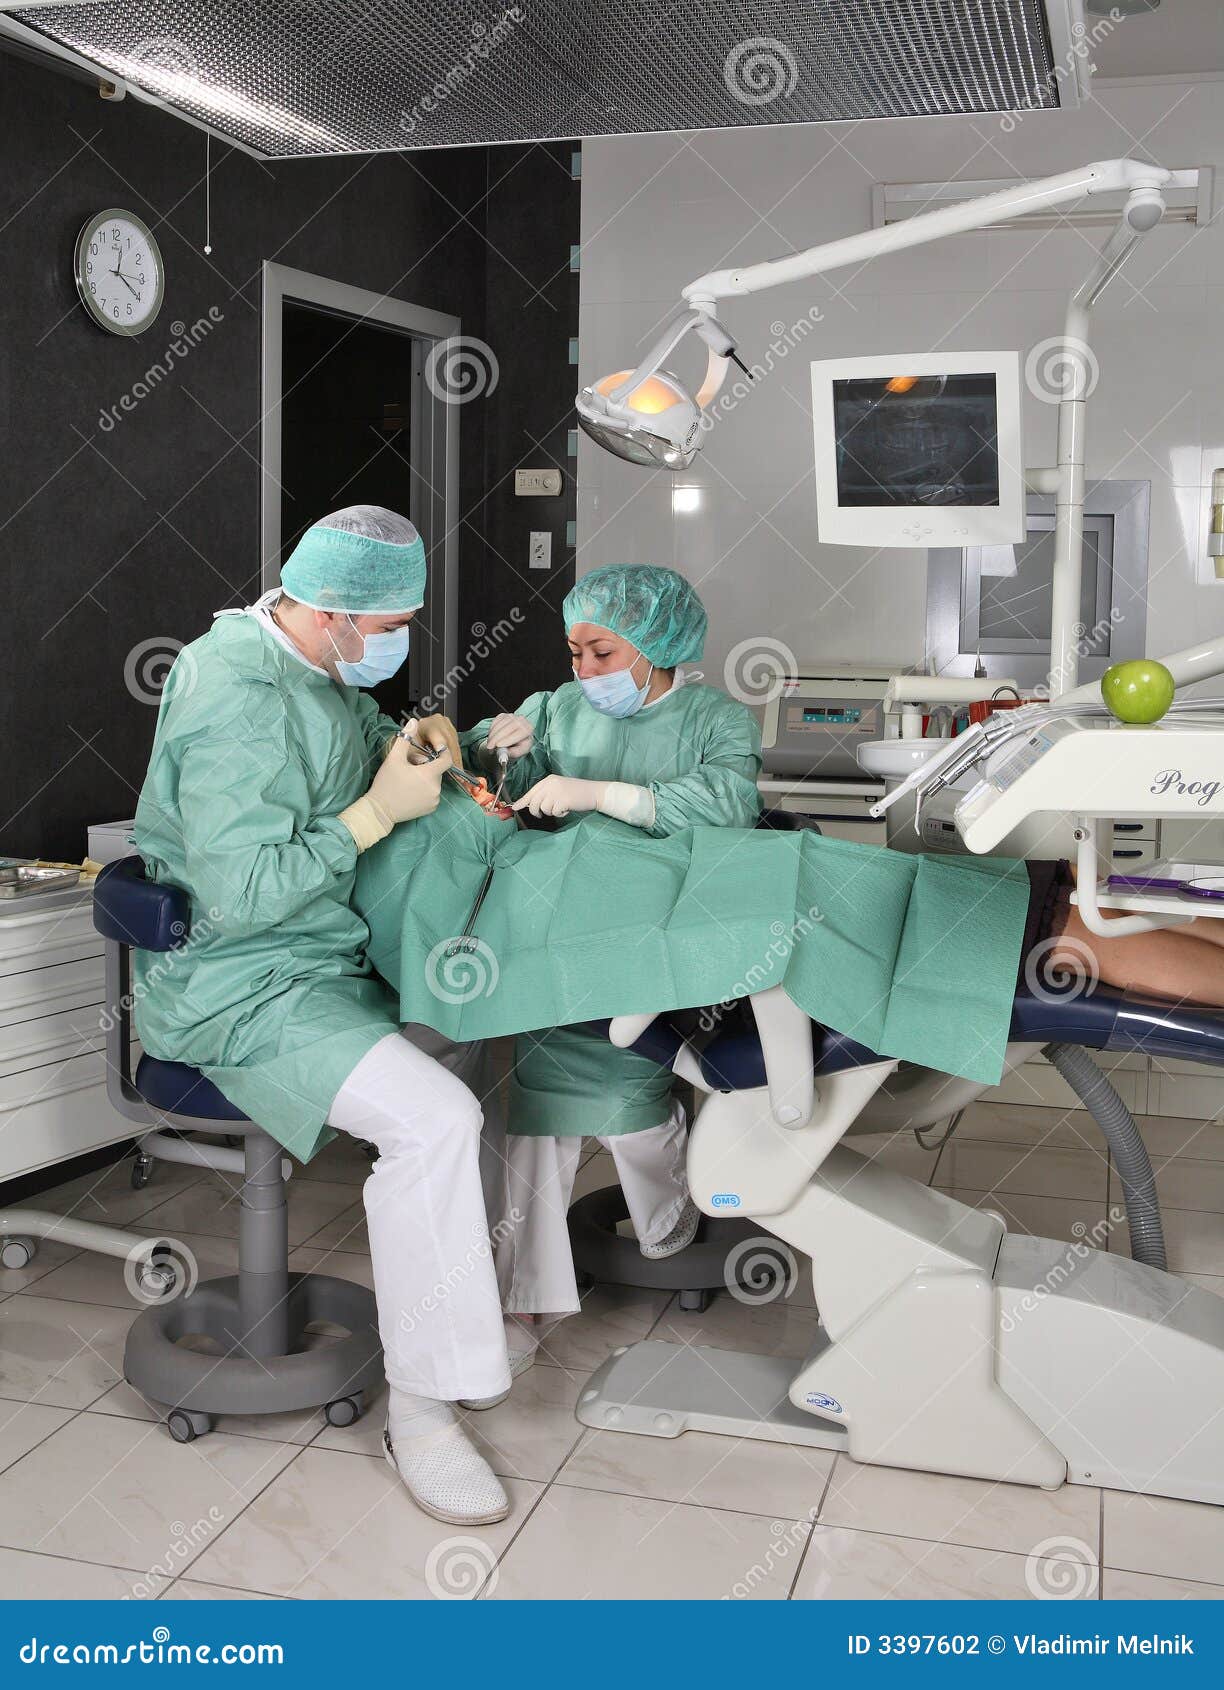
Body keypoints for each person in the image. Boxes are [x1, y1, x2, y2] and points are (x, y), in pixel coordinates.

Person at [132, 505, 514, 1527]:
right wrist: (379, 813)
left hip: (320, 958)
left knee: (489, 1030)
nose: (397, 643)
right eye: (389, 624)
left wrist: (446, 745)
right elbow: (246, 890)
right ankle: (425, 1416)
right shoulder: (229, 691)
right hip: (239, 985)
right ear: (332, 611)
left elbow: (359, 749)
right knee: (438, 1119)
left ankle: (460, 1330)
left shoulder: (313, 668)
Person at [459, 564, 763, 1396]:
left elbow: (729, 804)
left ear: (658, 647)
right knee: (538, 1120)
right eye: (574, 652)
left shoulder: (715, 718)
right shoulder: (558, 709)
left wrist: (607, 792)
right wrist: (504, 751)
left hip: (656, 938)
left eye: (600, 651)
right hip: (560, 934)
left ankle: (669, 1232)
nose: (583, 670)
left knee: (634, 1107)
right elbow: (518, 795)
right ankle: (524, 1303)